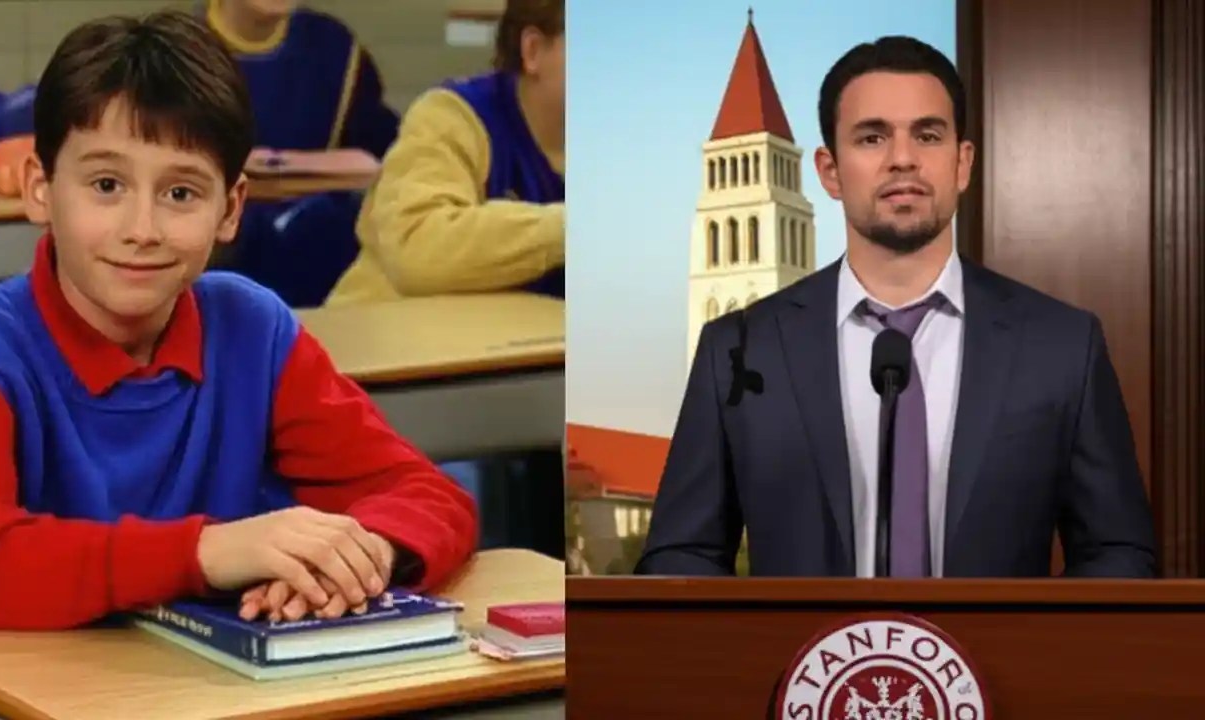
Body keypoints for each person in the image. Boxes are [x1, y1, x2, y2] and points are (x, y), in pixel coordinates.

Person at [0, 11, 477, 631]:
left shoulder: (253, 330)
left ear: (230, 208)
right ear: (41, 189)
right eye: (106, 184)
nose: (142, 229)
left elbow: (430, 495)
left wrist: (361, 555)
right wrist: (208, 552)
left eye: (180, 194)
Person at [636, 36, 1156, 579]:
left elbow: (1117, 554)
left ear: (962, 164)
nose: (902, 158)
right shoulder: (738, 349)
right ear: (830, 171)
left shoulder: (1062, 346)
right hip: (792, 665)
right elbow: (681, 555)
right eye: (872, 137)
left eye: (927, 135)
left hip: (998, 664)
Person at [324, 0, 565, 305]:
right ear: (532, 51)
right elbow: (417, 250)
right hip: (389, 340)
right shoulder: (451, 117)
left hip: (522, 345)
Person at [203, 0, 401, 307]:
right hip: (216, 249)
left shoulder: (336, 50)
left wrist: (282, 165)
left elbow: (382, 155)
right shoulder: (173, 50)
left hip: (323, 256)